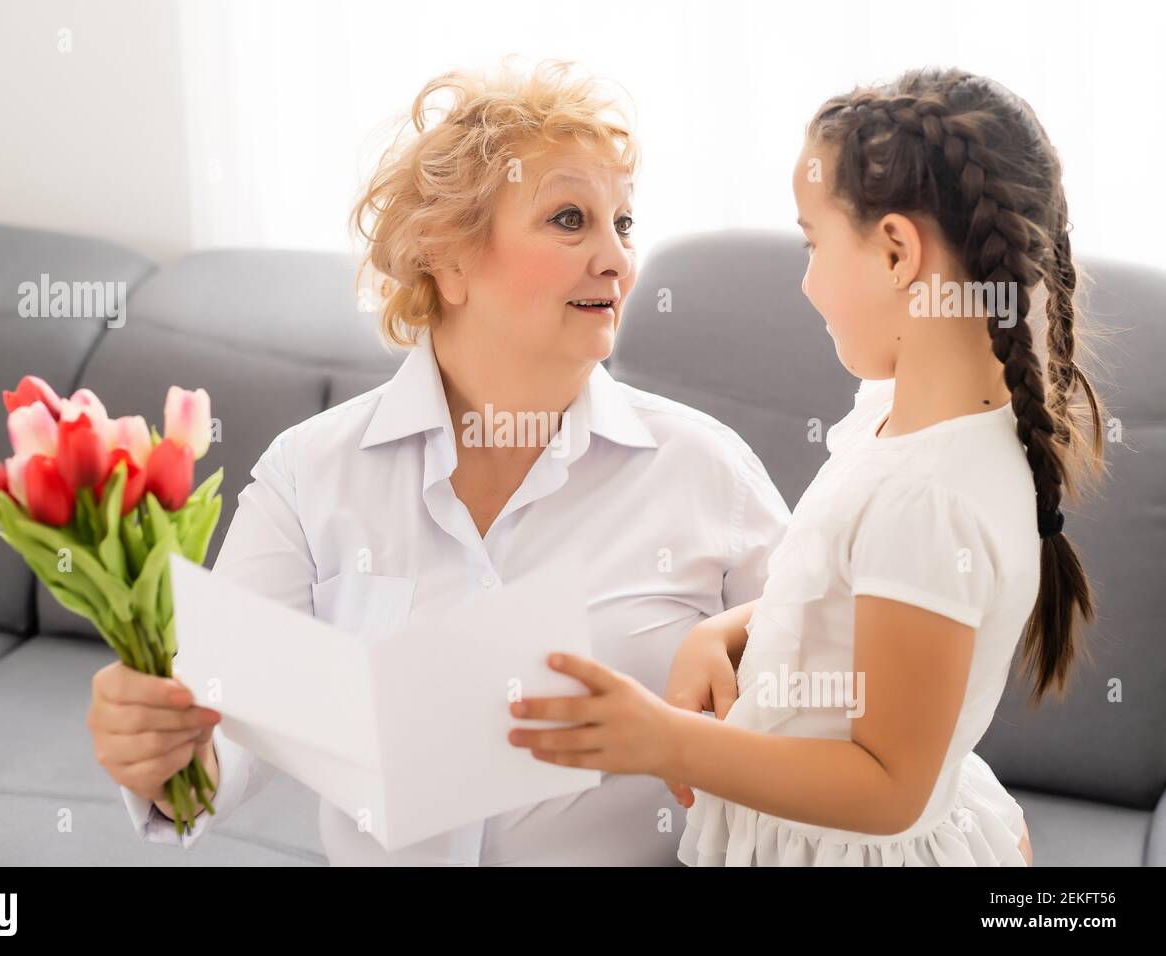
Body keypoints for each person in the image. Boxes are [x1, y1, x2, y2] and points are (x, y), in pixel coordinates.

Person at [86, 59, 790, 865]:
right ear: (447, 259)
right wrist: (159, 749)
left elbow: (846, 666)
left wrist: (740, 630)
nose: (617, 260)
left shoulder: (707, 472)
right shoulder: (309, 474)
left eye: (623, 224)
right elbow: (225, 737)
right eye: (570, 219)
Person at [509, 67, 1106, 866]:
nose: (806, 279)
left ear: (897, 252)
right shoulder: (903, 420)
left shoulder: (927, 501)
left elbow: (886, 785)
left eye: (813, 242)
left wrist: (668, 742)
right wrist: (722, 636)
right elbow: (849, 602)